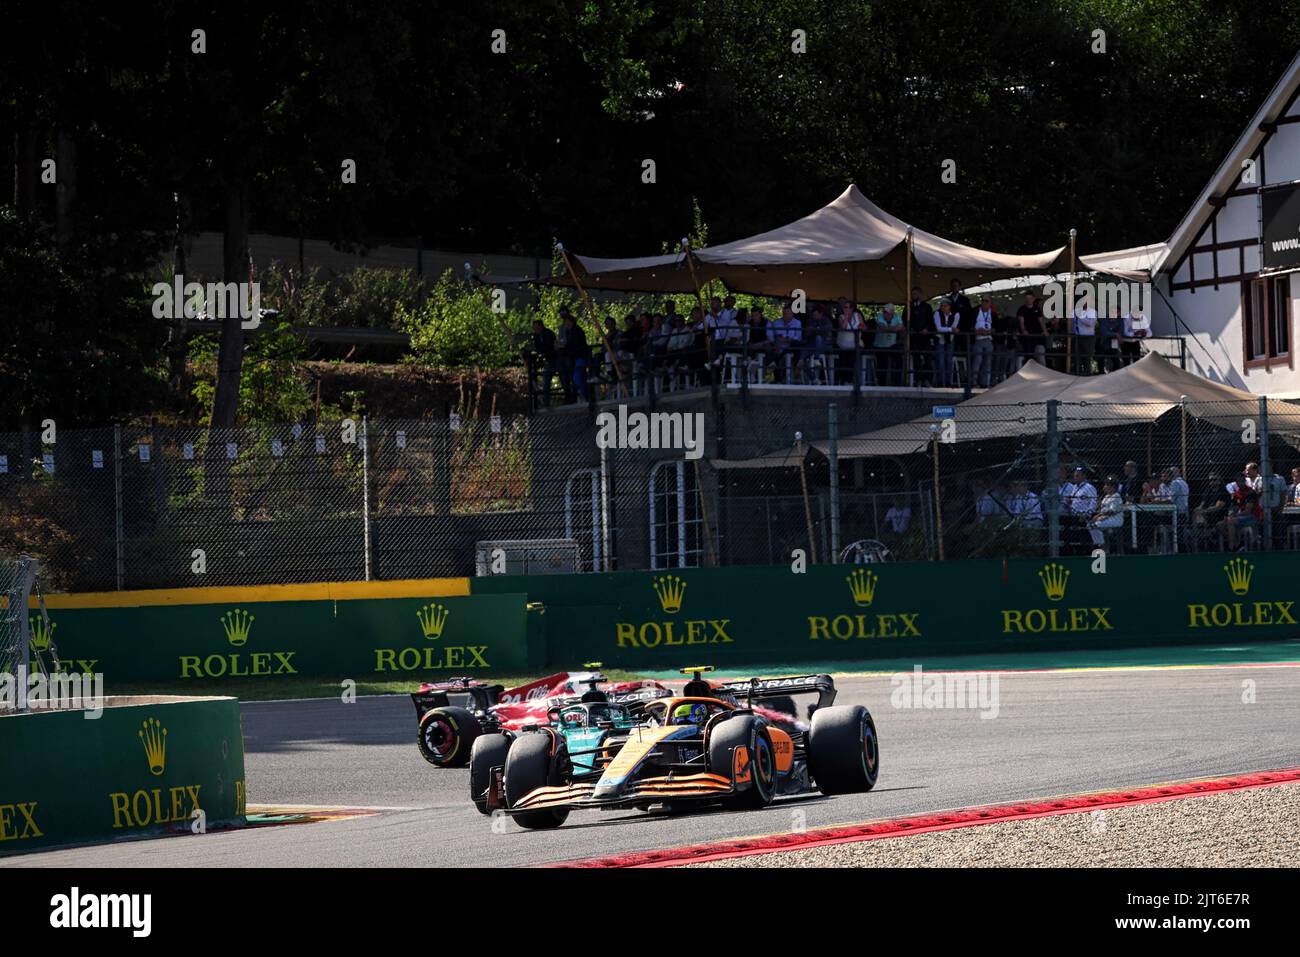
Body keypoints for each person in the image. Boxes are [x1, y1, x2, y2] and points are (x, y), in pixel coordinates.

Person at [556, 308, 590, 402]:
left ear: (571, 322)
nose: (565, 324)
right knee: (577, 377)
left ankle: (586, 396)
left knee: (577, 377)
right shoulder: (569, 332)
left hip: (580, 356)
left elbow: (574, 344)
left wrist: (564, 346)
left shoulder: (577, 331)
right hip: (575, 357)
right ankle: (583, 396)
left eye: (567, 322)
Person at [835, 298, 866, 385]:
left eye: (847, 307)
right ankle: (844, 380)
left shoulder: (858, 315)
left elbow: (864, 327)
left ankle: (848, 381)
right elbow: (844, 327)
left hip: (855, 344)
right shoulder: (840, 317)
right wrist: (846, 317)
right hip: (843, 345)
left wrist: (861, 326)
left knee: (852, 359)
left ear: (851, 308)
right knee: (843, 360)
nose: (845, 309)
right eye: (844, 307)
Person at [527, 318, 558, 406]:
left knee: (564, 377)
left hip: (555, 358)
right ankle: (546, 402)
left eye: (536, 327)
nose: (535, 329)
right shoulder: (536, 336)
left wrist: (541, 351)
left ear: (541, 326)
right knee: (546, 380)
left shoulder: (549, 334)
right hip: (547, 361)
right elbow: (537, 347)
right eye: (534, 328)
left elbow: (549, 346)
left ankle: (570, 398)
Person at [907, 286, 934, 386]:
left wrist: (927, 329)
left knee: (927, 359)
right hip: (915, 337)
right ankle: (918, 380)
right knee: (916, 360)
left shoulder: (927, 307)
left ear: (920, 294)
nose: (913, 296)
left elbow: (931, 321)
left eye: (915, 294)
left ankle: (927, 379)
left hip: (925, 337)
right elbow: (906, 320)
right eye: (912, 294)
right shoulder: (909, 307)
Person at [1087, 478, 1125, 547]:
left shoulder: (1116, 496)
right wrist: (1098, 505)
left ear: (1113, 487)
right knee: (1090, 524)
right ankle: (1100, 544)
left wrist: (1098, 516)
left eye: (1107, 485)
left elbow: (1112, 511)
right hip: (1106, 518)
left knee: (1094, 525)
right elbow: (1102, 510)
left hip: (1115, 519)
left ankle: (1102, 545)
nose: (1104, 487)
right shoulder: (1106, 496)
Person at [873, 303, 904, 386]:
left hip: (892, 344)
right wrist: (894, 328)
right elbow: (882, 327)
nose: (885, 313)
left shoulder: (897, 316)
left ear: (892, 313)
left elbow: (901, 327)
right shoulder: (879, 316)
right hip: (880, 346)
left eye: (888, 312)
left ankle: (898, 383)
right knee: (882, 365)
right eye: (885, 312)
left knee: (899, 360)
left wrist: (890, 329)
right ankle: (881, 385)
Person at [933, 299, 959, 387]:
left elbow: (954, 328)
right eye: (942, 306)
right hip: (940, 340)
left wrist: (949, 329)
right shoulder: (937, 313)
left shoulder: (956, 315)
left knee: (949, 361)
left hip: (950, 340)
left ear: (949, 307)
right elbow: (939, 328)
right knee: (940, 361)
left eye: (945, 306)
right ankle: (940, 383)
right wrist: (950, 329)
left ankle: (948, 383)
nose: (943, 308)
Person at [970, 296, 996, 388]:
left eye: (987, 301)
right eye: (983, 301)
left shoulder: (993, 313)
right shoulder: (975, 311)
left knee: (987, 362)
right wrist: (978, 331)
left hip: (988, 339)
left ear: (990, 303)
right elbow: (970, 326)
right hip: (978, 339)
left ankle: (984, 383)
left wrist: (989, 331)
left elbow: (995, 327)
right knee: (977, 361)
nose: (985, 303)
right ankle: (973, 382)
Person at [1017, 293, 1048, 366]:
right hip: (1027, 337)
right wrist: (1024, 330)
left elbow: (1041, 321)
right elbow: (1021, 322)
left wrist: (1045, 331)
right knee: (1028, 356)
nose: (1028, 300)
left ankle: (1042, 372)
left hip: (1037, 336)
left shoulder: (1037, 309)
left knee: (1040, 354)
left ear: (1033, 299)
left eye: (1030, 298)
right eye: (1027, 298)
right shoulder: (1021, 309)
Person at [1072, 299, 1098, 374]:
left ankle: (1087, 374)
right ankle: (1077, 373)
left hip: (1088, 338)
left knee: (1087, 357)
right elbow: (1073, 323)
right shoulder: (1075, 311)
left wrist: (1080, 316)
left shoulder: (1093, 312)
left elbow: (1090, 323)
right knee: (1077, 357)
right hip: (1077, 337)